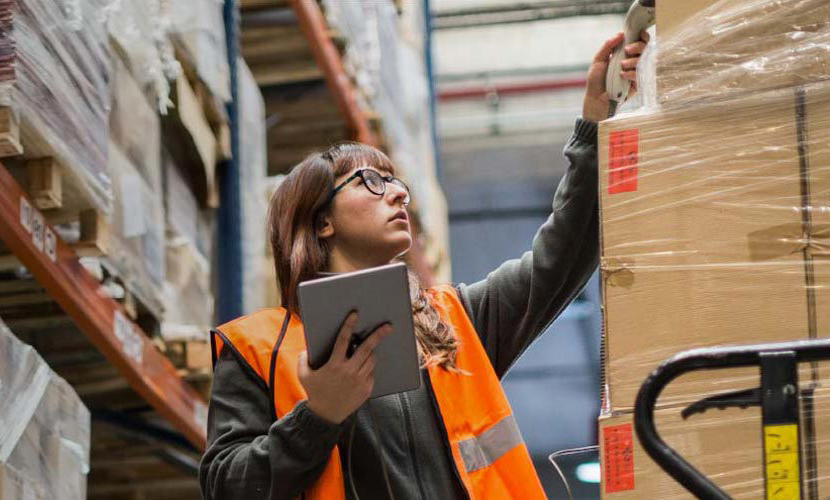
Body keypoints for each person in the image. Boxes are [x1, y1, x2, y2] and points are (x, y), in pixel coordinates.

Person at [198, 31, 646, 499]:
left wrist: (596, 124)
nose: (397, 193)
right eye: (371, 180)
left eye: (398, 184)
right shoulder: (256, 349)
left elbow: (561, 256)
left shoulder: (454, 322)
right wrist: (319, 415)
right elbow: (226, 487)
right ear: (322, 220)